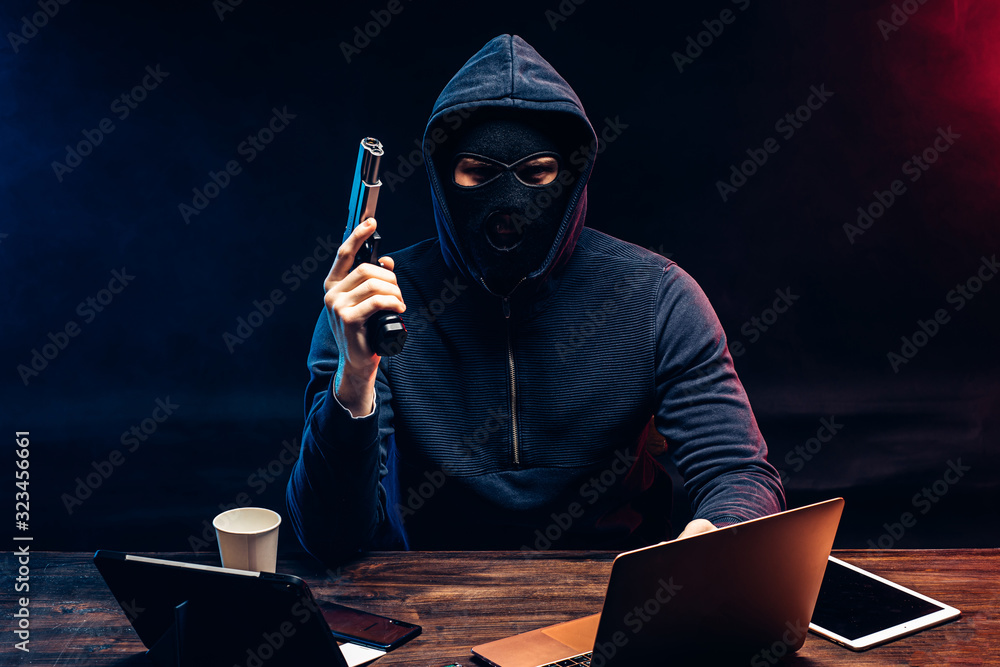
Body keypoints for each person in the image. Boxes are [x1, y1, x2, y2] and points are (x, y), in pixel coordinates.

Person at [286, 34, 784, 567]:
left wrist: (714, 533)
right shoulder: (375, 307)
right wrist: (354, 377)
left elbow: (741, 475)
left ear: (570, 178)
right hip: (434, 603)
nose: (508, 204)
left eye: (536, 174)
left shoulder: (659, 296)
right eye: (477, 173)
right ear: (443, 178)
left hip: (618, 602)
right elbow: (328, 537)